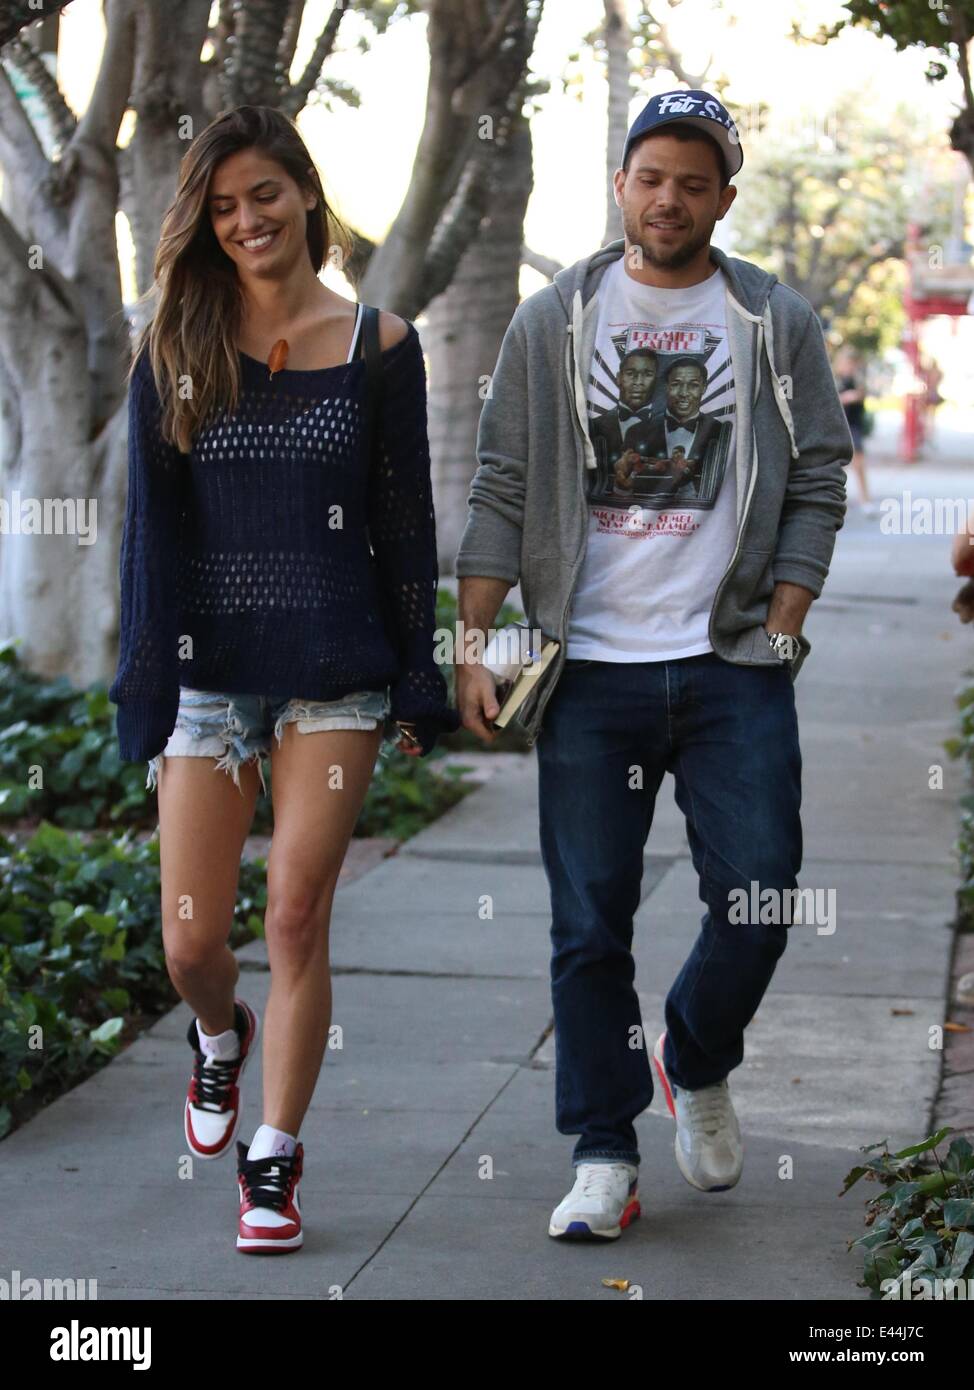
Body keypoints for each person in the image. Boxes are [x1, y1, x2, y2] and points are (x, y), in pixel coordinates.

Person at [455, 88, 849, 1241]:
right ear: (620, 185)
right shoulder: (552, 321)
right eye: (649, 177)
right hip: (590, 672)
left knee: (759, 891)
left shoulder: (770, 317)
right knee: (588, 923)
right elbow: (498, 483)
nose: (667, 198)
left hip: (731, 666)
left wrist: (783, 618)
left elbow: (816, 473)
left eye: (691, 181)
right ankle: (602, 1149)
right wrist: (470, 641)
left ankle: (694, 1051)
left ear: (721, 198)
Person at [108, 105, 457, 1255]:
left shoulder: (379, 346)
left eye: (263, 193)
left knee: (297, 913)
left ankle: (273, 1158)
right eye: (221, 206)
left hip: (331, 673)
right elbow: (151, 537)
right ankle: (220, 1036)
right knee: (189, 944)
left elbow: (404, 526)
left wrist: (418, 678)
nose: (246, 219)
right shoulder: (176, 342)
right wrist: (145, 687)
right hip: (211, 677)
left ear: (305, 191)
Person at [833, 345, 873, 510]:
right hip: (838, 425)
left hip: (854, 425)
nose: (849, 367)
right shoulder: (835, 379)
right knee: (837, 466)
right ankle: (836, 499)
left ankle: (865, 499)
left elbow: (863, 394)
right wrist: (845, 398)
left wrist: (855, 396)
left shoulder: (857, 379)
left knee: (859, 463)